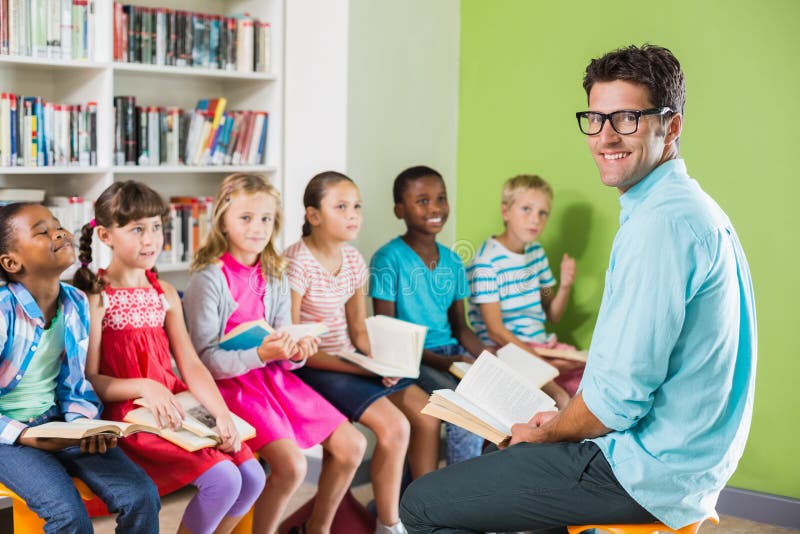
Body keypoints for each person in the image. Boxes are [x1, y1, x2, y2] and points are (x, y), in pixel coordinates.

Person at [400, 44, 756, 533]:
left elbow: (619, 400)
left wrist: (547, 433)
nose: (605, 136)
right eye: (595, 118)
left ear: (670, 127)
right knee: (517, 484)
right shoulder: (689, 210)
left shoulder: (661, 227)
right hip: (684, 462)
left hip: (645, 470)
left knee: (421, 502)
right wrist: (557, 425)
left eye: (627, 118)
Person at [75, 181, 265, 534]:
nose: (151, 239)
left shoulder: (164, 293)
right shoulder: (96, 296)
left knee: (252, 477)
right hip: (132, 417)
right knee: (223, 479)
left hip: (178, 406)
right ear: (104, 235)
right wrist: (146, 386)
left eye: (156, 227)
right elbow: (90, 379)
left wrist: (221, 415)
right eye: (137, 229)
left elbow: (191, 364)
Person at [183, 173, 366, 534]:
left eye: (266, 219)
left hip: (273, 378)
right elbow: (204, 361)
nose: (258, 228)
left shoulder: (275, 271)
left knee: (352, 444)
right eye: (246, 218)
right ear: (223, 220)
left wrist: (296, 350)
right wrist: (262, 355)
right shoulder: (209, 279)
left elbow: (284, 341)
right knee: (293, 467)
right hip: (231, 386)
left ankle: (318, 528)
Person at [285, 171, 442, 534]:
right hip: (312, 365)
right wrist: (365, 371)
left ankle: (406, 518)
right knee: (394, 425)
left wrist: (383, 364)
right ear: (314, 215)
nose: (353, 214)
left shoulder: (354, 261)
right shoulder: (296, 262)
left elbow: (358, 330)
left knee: (411, 418)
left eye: (357, 206)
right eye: (341, 207)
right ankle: (382, 524)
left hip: (349, 361)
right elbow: (295, 348)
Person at [0, 202, 160, 533]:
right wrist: (24, 434)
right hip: (8, 437)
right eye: (42, 232)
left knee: (142, 495)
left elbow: (75, 383)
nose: (59, 232)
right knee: (68, 515)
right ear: (12, 262)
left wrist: (84, 424)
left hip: (57, 425)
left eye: (57, 225)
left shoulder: (75, 303)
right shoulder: (3, 313)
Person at [370, 165, 489, 466]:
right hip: (413, 360)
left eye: (441, 198)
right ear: (400, 210)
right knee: (466, 415)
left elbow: (461, 328)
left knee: (496, 406)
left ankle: (461, 489)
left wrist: (490, 358)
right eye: (422, 201)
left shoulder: (452, 260)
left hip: (452, 356)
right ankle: (456, 500)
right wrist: (447, 363)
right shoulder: (388, 259)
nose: (435, 208)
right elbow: (389, 337)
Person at [467, 174, 583, 407]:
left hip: (540, 345)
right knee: (559, 398)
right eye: (526, 209)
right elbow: (496, 331)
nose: (535, 220)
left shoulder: (536, 253)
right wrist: (539, 362)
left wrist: (565, 286)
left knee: (592, 383)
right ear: (506, 211)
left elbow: (552, 313)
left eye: (542, 213)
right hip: (507, 350)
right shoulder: (486, 263)